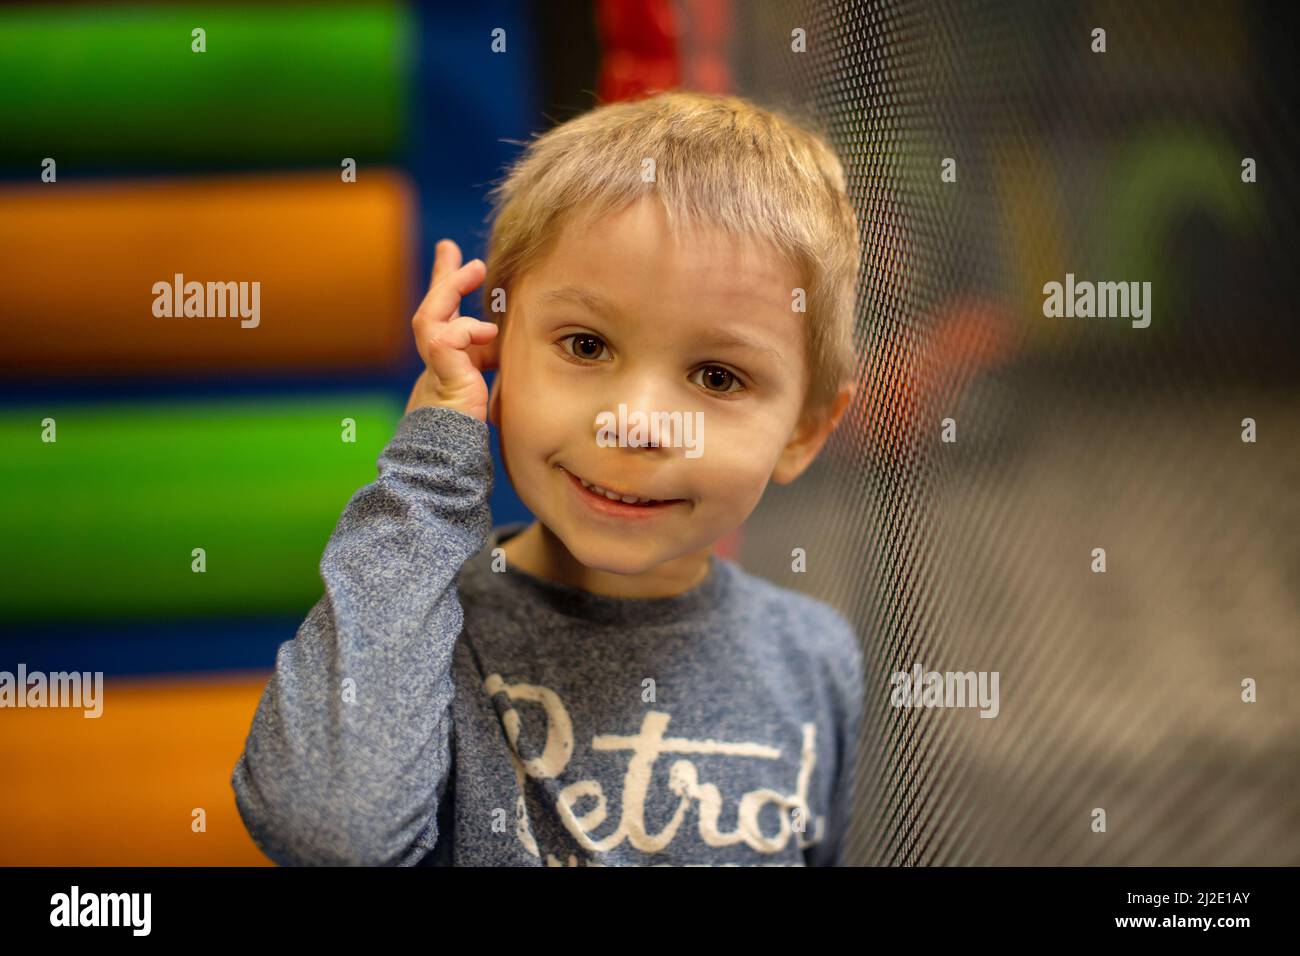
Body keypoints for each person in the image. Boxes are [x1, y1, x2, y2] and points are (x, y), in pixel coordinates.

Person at [232, 90, 865, 866]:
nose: (637, 424)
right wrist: (434, 464)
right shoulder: (426, 637)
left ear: (803, 431)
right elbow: (330, 830)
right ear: (495, 354)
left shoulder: (815, 656)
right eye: (587, 346)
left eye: (717, 376)